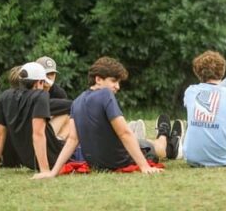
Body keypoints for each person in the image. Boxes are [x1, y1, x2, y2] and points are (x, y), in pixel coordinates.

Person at [34, 57, 165, 178]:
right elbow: (124, 133)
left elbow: (72, 140)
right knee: (158, 148)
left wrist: (53, 172)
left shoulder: (77, 102)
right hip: (122, 159)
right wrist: (144, 166)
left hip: (97, 163)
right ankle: (166, 137)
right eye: (113, 81)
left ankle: (161, 136)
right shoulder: (105, 94)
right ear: (98, 79)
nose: (117, 87)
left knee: (139, 141)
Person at [0, 62, 65, 175]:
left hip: (28, 161)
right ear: (39, 82)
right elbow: (38, 134)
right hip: (55, 157)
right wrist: (45, 171)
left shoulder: (5, 96)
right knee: (68, 118)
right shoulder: (40, 96)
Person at [183, 51, 226, 167]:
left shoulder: (190, 91)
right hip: (224, 159)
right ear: (222, 71)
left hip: (192, 158)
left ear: (198, 72)